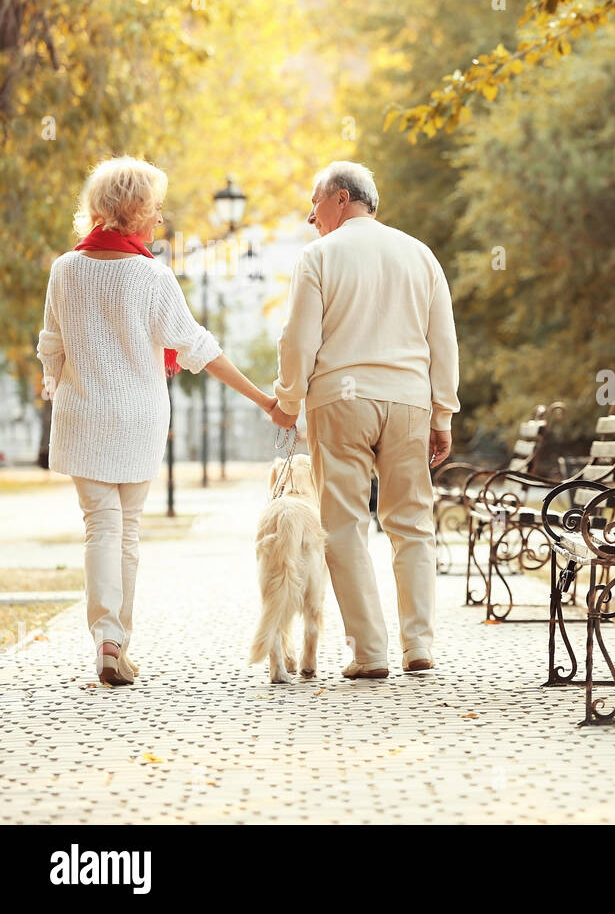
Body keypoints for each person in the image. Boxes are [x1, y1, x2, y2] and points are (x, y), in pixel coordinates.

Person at [36, 156, 276, 686]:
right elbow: (200, 349)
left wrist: (59, 387)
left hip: (81, 416)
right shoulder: (151, 275)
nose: (160, 219)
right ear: (137, 210)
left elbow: (51, 348)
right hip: (137, 417)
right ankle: (118, 640)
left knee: (99, 526)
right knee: (127, 532)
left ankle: (106, 639)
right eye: (156, 209)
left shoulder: (64, 269)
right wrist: (264, 400)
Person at [270, 161, 459, 679]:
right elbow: (442, 340)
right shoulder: (420, 255)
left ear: (340, 198)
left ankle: (370, 653)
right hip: (408, 400)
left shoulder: (319, 257)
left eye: (315, 205)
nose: (312, 218)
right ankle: (417, 646)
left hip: (340, 401)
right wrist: (442, 413)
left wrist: (288, 399)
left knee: (344, 526)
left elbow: (298, 339)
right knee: (412, 522)